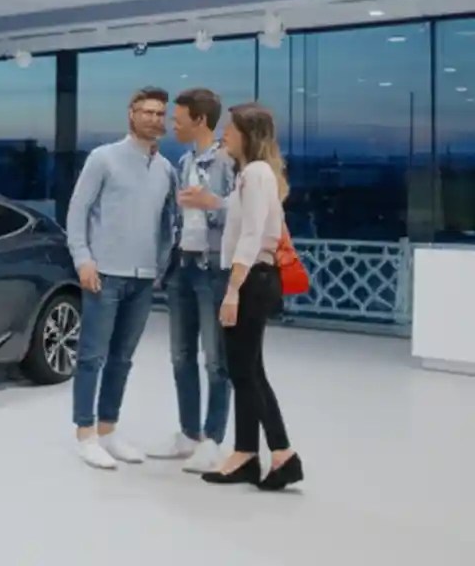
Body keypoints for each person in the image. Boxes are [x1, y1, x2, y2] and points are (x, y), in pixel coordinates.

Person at [66, 86, 178, 470]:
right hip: (104, 274)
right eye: (147, 112)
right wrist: (83, 260)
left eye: (161, 113)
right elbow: (77, 212)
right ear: (131, 114)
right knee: (91, 356)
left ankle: (109, 431)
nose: (154, 119)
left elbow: (168, 225)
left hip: (143, 279)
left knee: (122, 359)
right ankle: (85, 435)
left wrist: (161, 265)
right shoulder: (104, 159)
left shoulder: (166, 169)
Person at [202, 102, 303, 491]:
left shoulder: (256, 174)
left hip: (252, 279)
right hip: (254, 278)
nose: (224, 134)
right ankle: (246, 453)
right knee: (246, 370)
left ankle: (282, 454)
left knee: (244, 372)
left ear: (248, 135)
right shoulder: (253, 175)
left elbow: (253, 235)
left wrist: (232, 291)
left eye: (231, 128)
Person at [148, 88, 236, 473]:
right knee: (180, 355)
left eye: (178, 119)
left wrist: (211, 205)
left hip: (214, 270)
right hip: (181, 267)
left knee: (217, 360)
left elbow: (243, 214)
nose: (172, 125)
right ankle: (188, 433)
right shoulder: (181, 161)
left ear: (200, 120)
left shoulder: (227, 163)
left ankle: (213, 440)